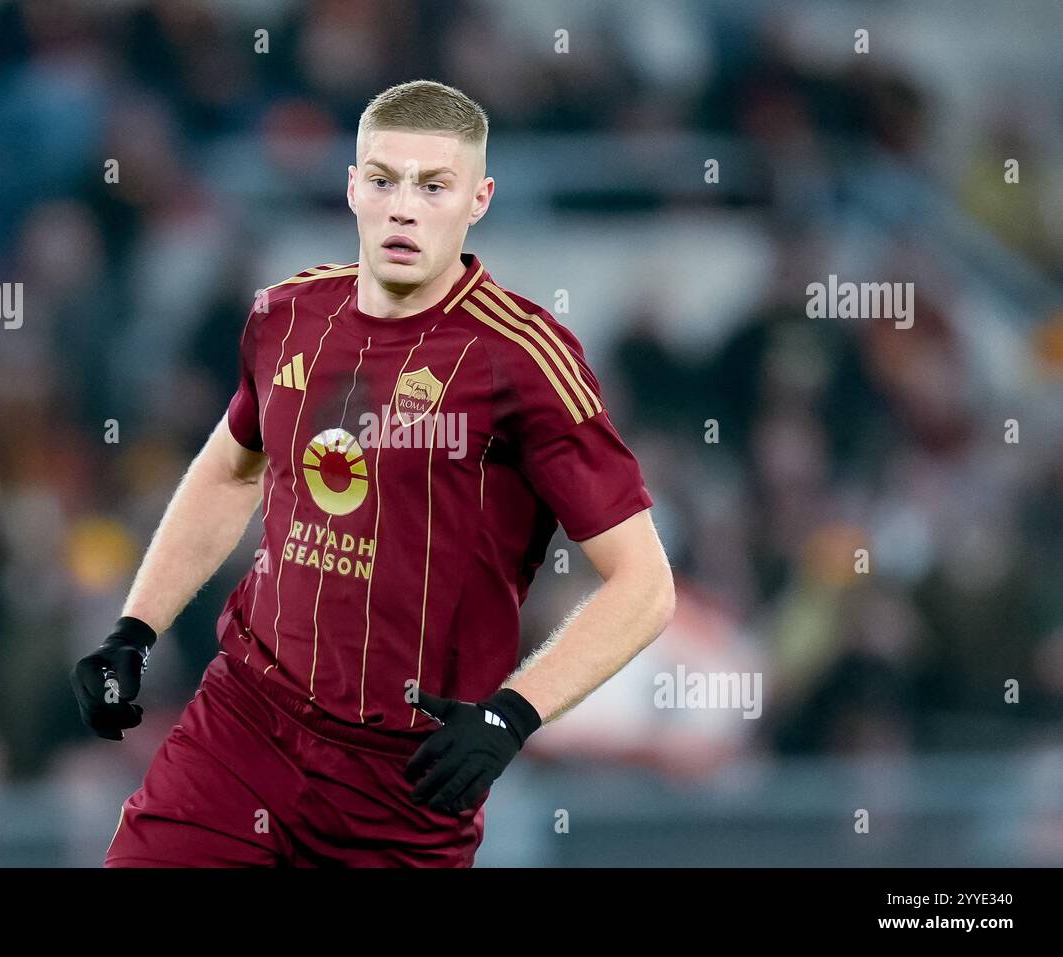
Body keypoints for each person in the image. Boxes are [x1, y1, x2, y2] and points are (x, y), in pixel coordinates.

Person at [71, 80, 675, 867]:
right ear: (352, 186)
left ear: (479, 199)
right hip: (243, 727)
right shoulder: (284, 316)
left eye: (435, 186)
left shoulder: (523, 358)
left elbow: (644, 584)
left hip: (404, 782)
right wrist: (133, 628)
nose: (404, 207)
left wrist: (512, 714)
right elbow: (229, 470)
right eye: (384, 179)